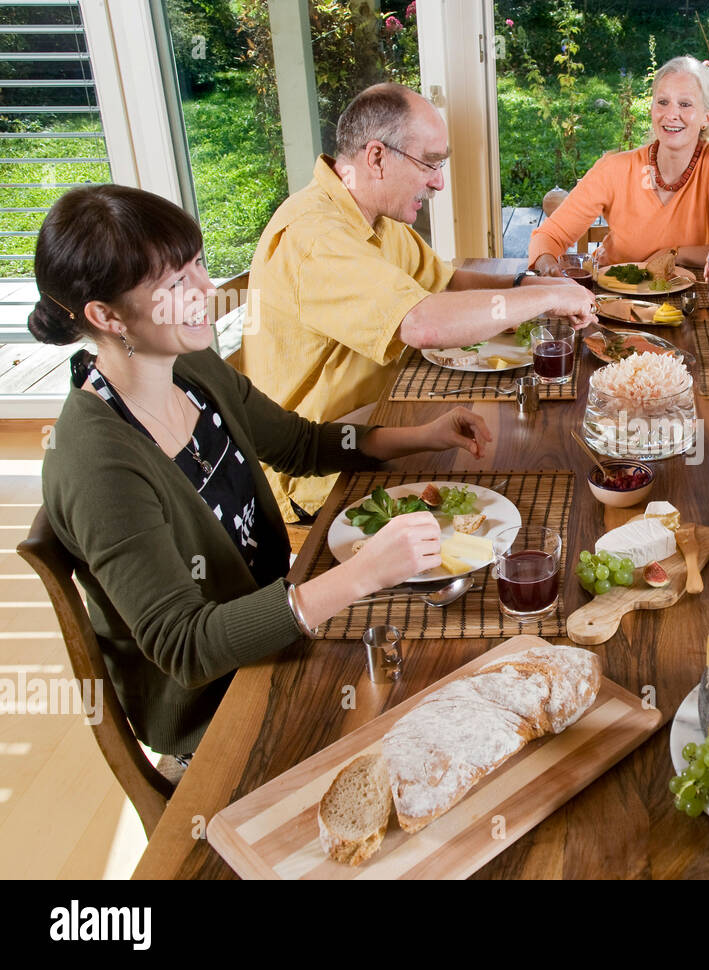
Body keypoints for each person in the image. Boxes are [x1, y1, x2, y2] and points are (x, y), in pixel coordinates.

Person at [32, 184, 494, 762]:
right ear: (105, 315)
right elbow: (186, 646)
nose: (206, 290)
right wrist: (360, 576)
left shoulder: (189, 365)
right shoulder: (99, 464)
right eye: (176, 284)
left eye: (198, 264)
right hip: (226, 710)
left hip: (291, 623)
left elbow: (298, 444)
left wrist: (420, 434)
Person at [243, 82, 596, 522]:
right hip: (328, 466)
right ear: (376, 158)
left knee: (531, 448)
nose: (438, 181)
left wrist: (530, 283)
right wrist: (548, 297)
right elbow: (425, 323)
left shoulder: (372, 213)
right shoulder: (315, 239)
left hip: (394, 414)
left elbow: (445, 285)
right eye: (429, 163)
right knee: (531, 484)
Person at [527, 56, 709, 274]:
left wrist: (675, 254)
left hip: (687, 303)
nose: (671, 114)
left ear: (706, 117)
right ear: (652, 110)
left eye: (685, 104)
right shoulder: (615, 168)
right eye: (663, 102)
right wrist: (549, 268)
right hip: (611, 300)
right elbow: (548, 236)